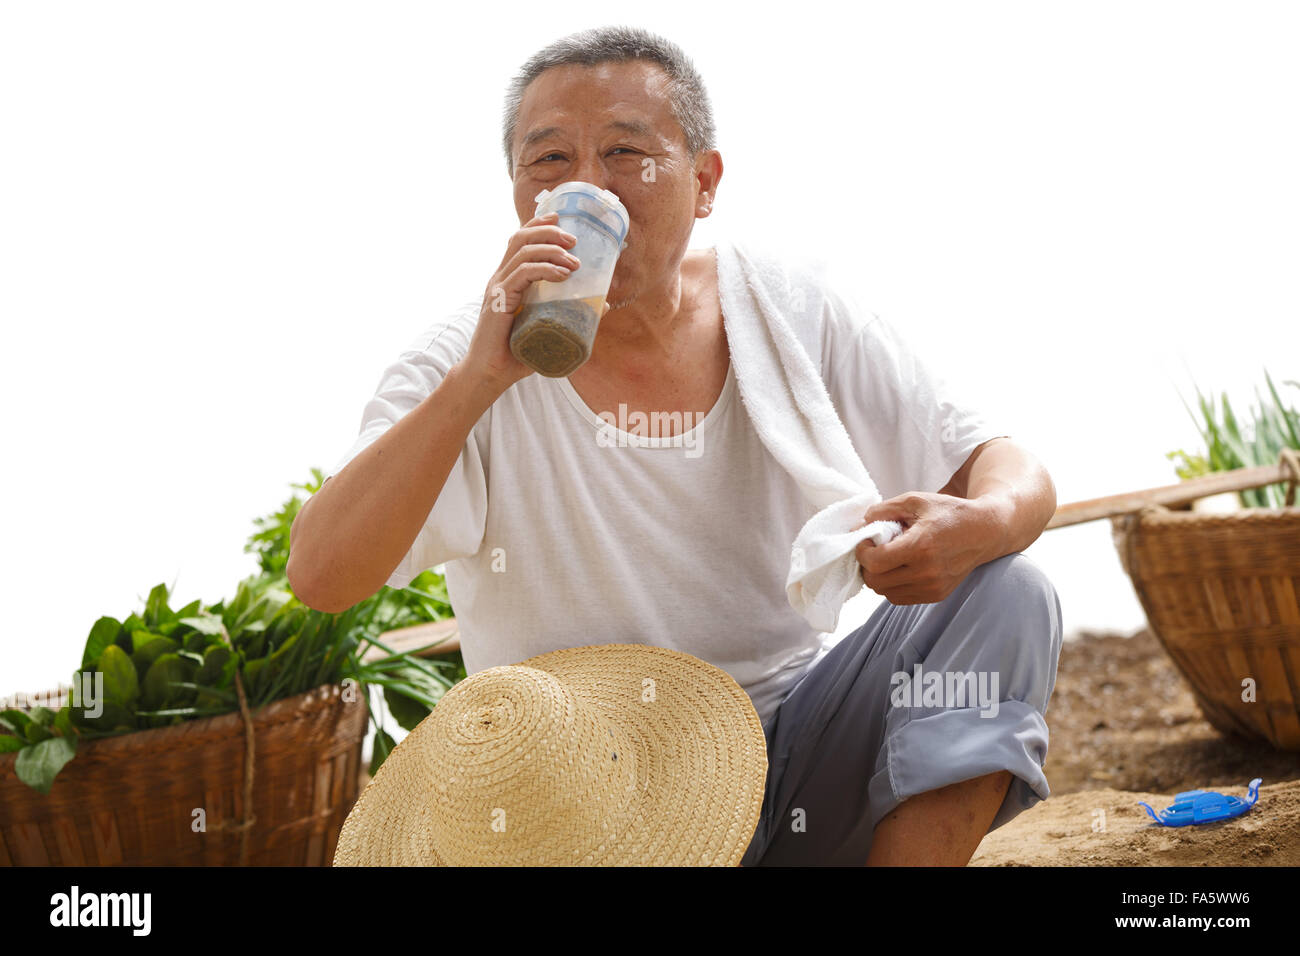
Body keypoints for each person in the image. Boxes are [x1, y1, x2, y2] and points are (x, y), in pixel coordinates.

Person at [288, 25, 1063, 866]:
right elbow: (323, 575)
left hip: (794, 751)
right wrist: (481, 379)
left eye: (626, 152)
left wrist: (975, 525)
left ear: (703, 182)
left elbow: (1009, 466)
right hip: (588, 813)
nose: (587, 185)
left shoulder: (786, 310)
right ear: (518, 192)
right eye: (548, 161)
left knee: (1010, 590)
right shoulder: (459, 362)